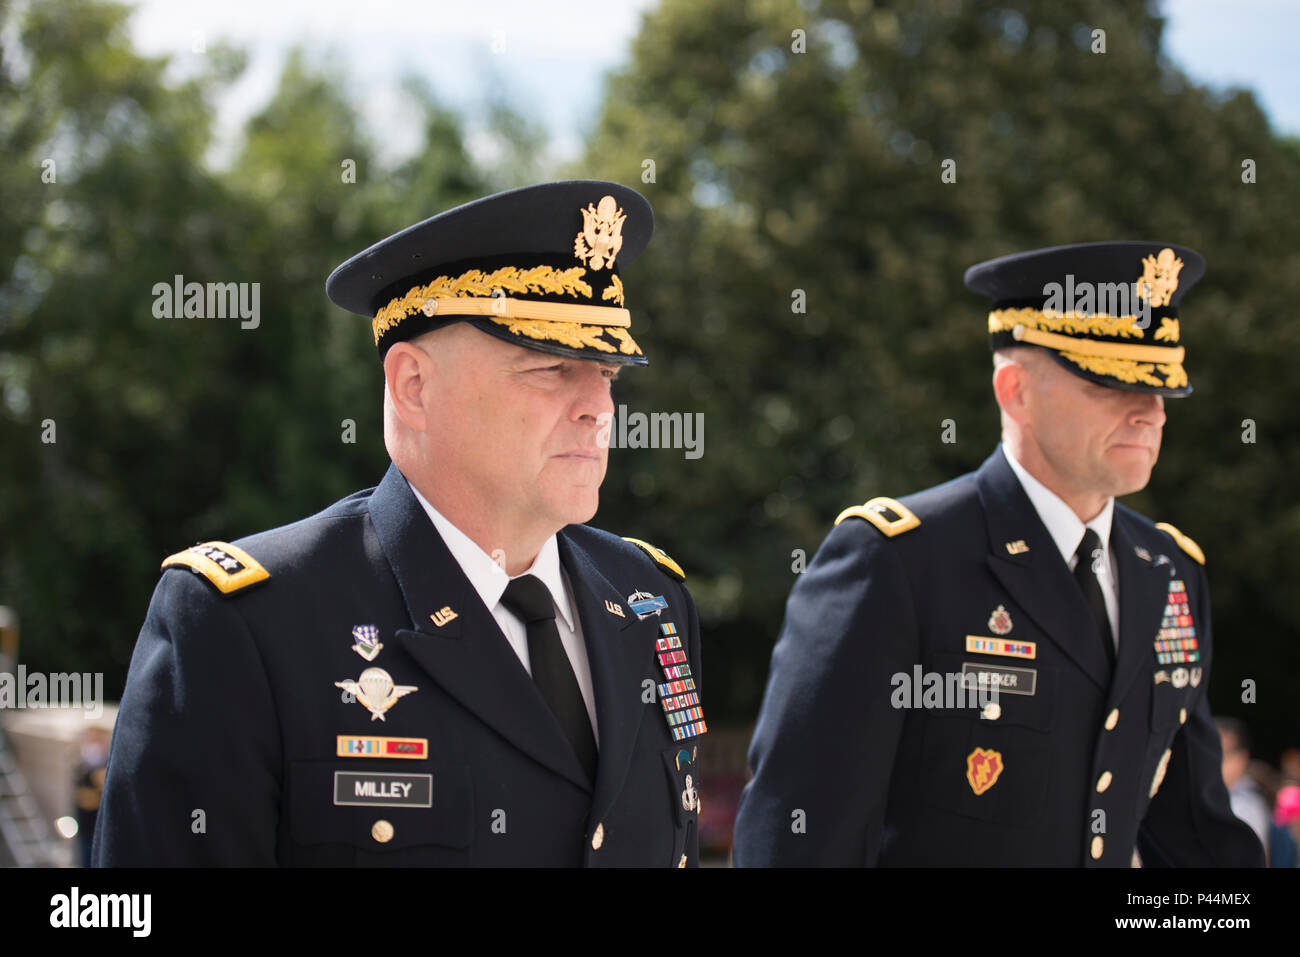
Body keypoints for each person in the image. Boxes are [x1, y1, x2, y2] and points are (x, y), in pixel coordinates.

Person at [93, 181, 706, 867]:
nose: (598, 405)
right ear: (413, 386)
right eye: (552, 367)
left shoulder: (650, 601)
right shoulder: (246, 624)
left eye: (608, 373)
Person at [733, 241, 1264, 867]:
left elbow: (1194, 839)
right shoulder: (899, 560)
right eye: (1112, 382)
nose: (1149, 411)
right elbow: (798, 835)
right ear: (1016, 391)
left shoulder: (1170, 571)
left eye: (1161, 387)